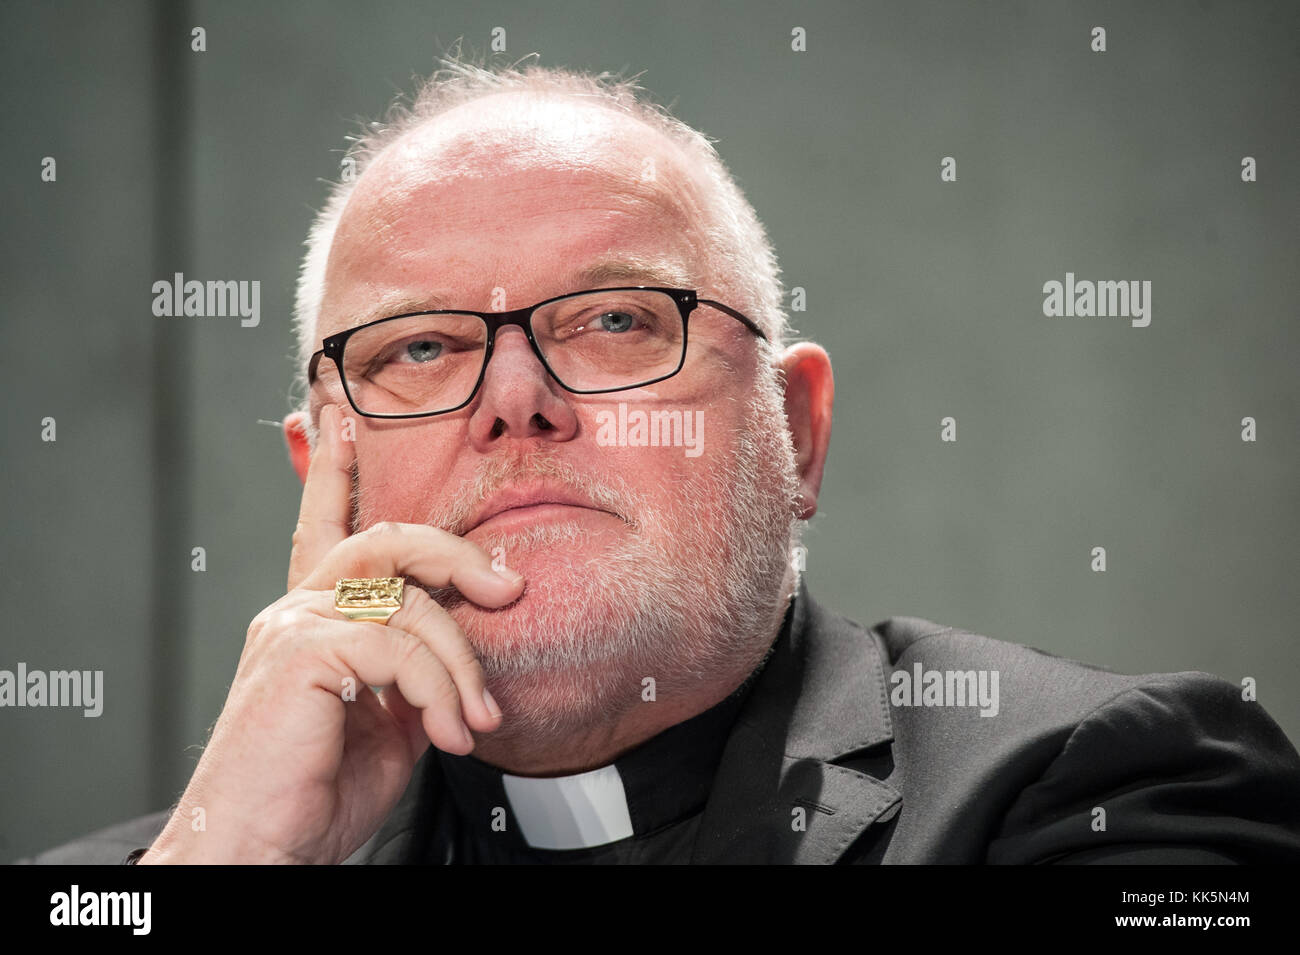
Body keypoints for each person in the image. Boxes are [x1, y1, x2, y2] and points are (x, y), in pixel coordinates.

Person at [21, 56, 1300, 865]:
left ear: (792, 434)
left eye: (617, 320)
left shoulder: (1114, 788)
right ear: (323, 483)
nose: (514, 400)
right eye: (417, 347)